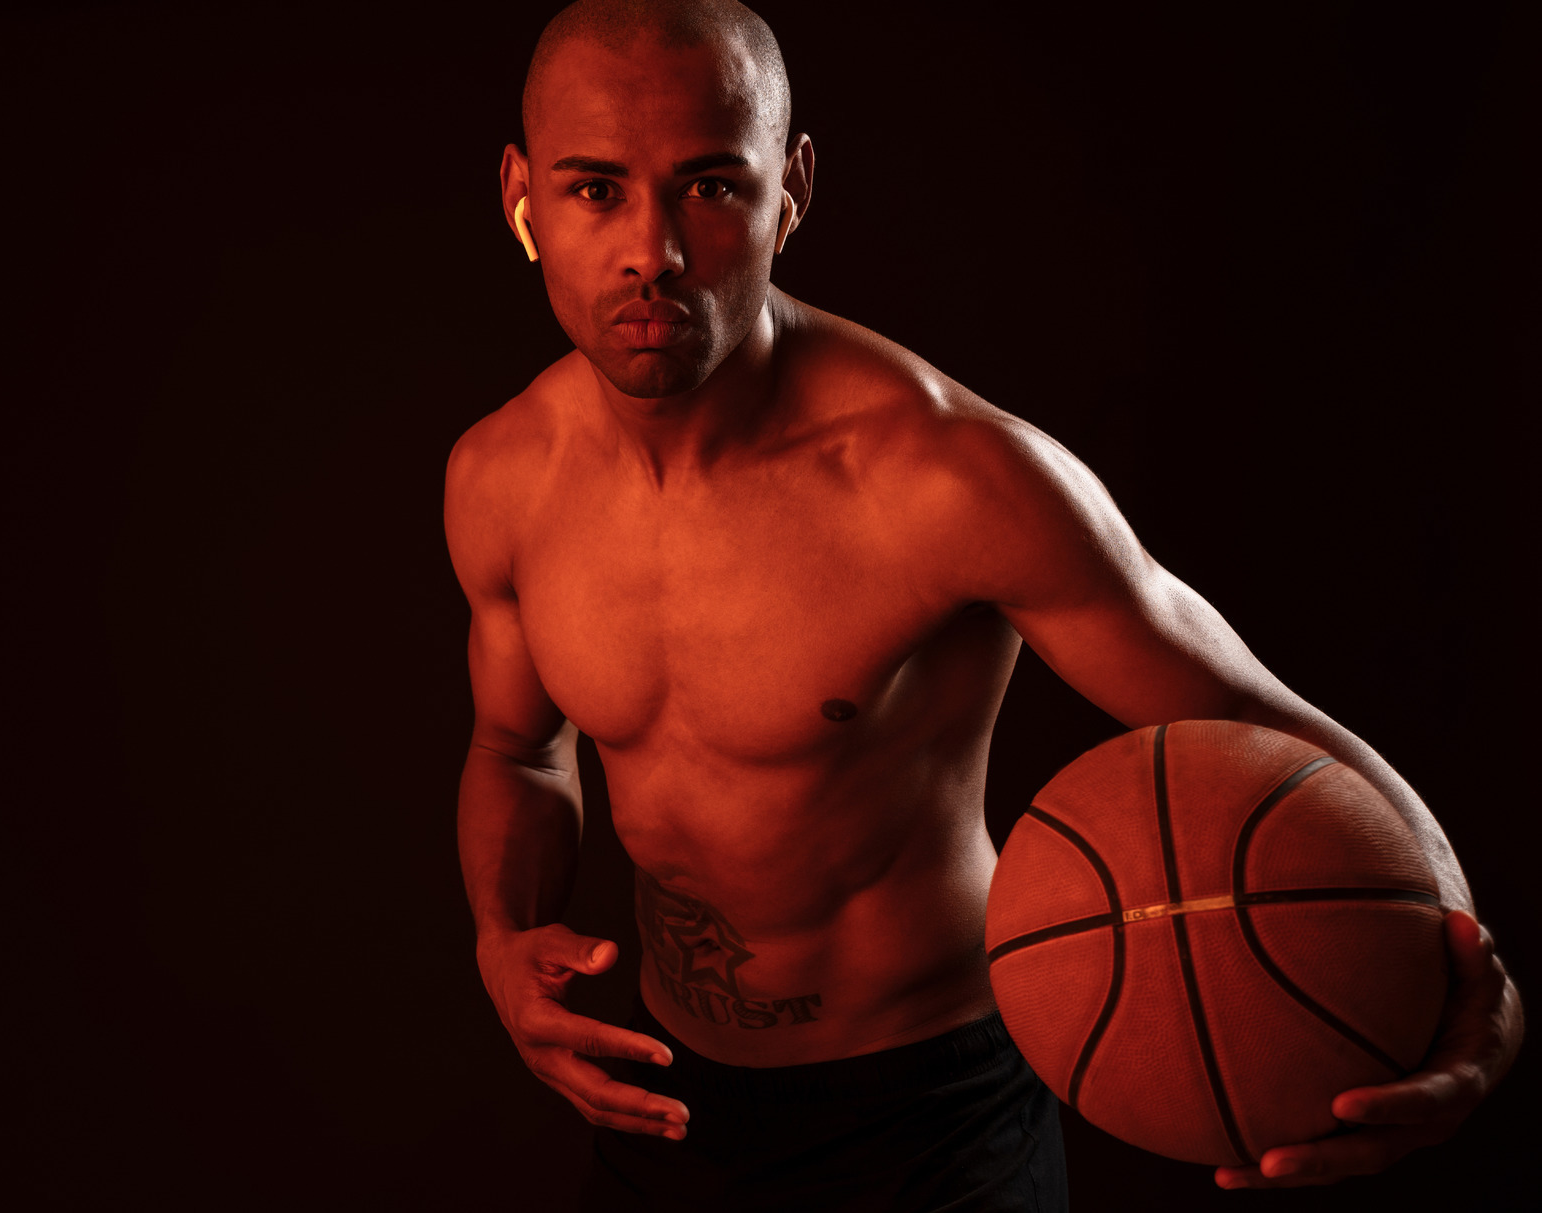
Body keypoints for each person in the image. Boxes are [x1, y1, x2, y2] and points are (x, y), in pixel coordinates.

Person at [444, 1, 1523, 1207]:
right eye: (596, 190)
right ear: (520, 194)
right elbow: (515, 749)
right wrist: (502, 938)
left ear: (789, 188)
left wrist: (1460, 961)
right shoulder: (500, 480)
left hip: (935, 1112)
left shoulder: (947, 476)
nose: (654, 252)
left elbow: (1259, 720)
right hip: (665, 1100)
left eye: (709, 187)